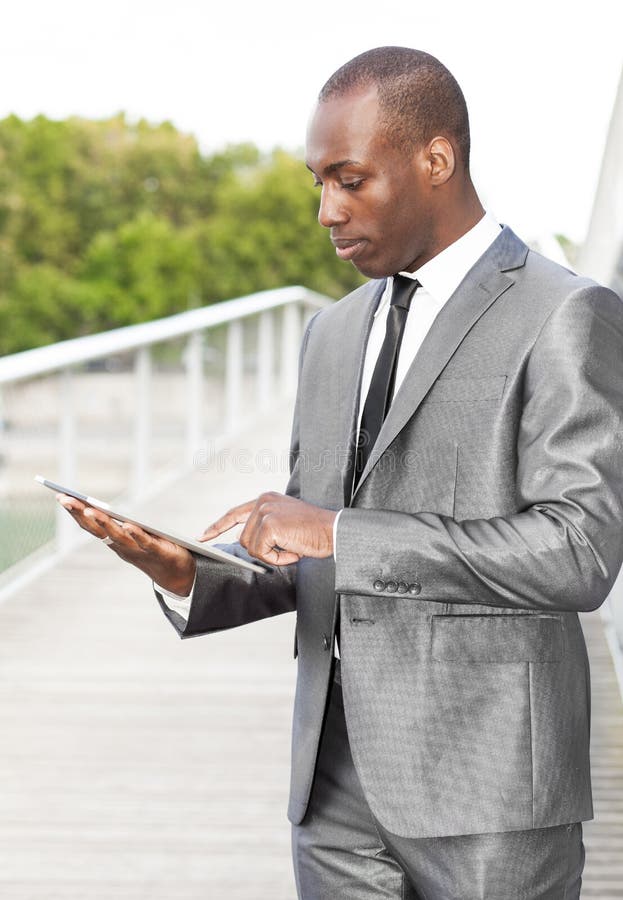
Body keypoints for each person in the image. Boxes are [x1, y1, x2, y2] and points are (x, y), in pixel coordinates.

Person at [59, 47, 623, 899]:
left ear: (436, 159)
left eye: (349, 179)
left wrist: (335, 530)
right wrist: (190, 575)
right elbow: (317, 547)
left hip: (490, 795)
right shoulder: (330, 334)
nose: (326, 210)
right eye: (317, 183)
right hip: (329, 798)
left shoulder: (564, 314)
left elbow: (576, 552)